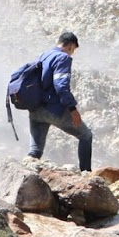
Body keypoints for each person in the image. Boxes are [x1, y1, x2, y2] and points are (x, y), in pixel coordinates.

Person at [26, 30, 93, 172]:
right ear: (70, 46)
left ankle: (28, 177)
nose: (72, 53)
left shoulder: (44, 55)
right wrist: (72, 109)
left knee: (34, 152)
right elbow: (60, 85)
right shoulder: (63, 58)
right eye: (73, 50)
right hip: (53, 109)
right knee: (86, 135)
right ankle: (86, 174)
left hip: (35, 110)